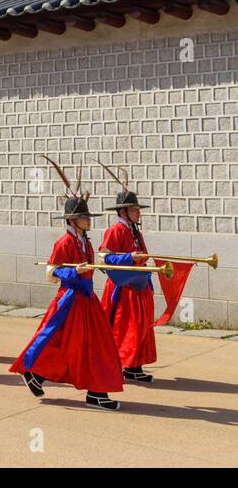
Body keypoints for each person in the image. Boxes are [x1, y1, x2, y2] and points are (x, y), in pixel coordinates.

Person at [11, 158, 124, 410]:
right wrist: (76, 273)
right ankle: (93, 391)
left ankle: (39, 375)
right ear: (73, 221)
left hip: (87, 300)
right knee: (69, 342)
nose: (88, 221)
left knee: (85, 345)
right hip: (70, 301)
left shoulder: (85, 241)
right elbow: (53, 271)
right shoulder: (64, 243)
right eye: (84, 218)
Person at [97, 164, 157, 386]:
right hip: (123, 288)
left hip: (139, 286)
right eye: (134, 209)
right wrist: (128, 258)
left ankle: (135, 366)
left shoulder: (135, 231)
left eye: (137, 209)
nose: (138, 212)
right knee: (126, 327)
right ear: (123, 212)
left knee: (141, 326)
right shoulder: (115, 231)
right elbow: (104, 259)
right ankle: (122, 363)